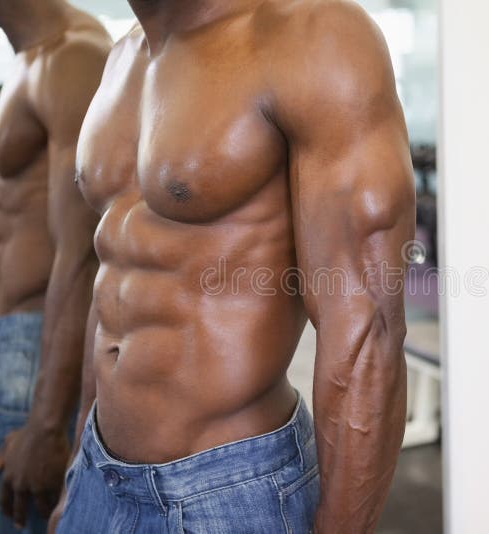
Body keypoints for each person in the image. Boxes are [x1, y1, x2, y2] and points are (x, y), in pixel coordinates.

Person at [51, 0, 415, 532]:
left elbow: (365, 332)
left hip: (228, 494)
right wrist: (76, 472)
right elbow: (114, 281)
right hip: (96, 473)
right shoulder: (122, 54)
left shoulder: (311, 35)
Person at [0, 0, 112, 531]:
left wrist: (47, 422)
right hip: (16, 346)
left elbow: (84, 250)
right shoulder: (34, 57)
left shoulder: (74, 58)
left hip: (38, 353)